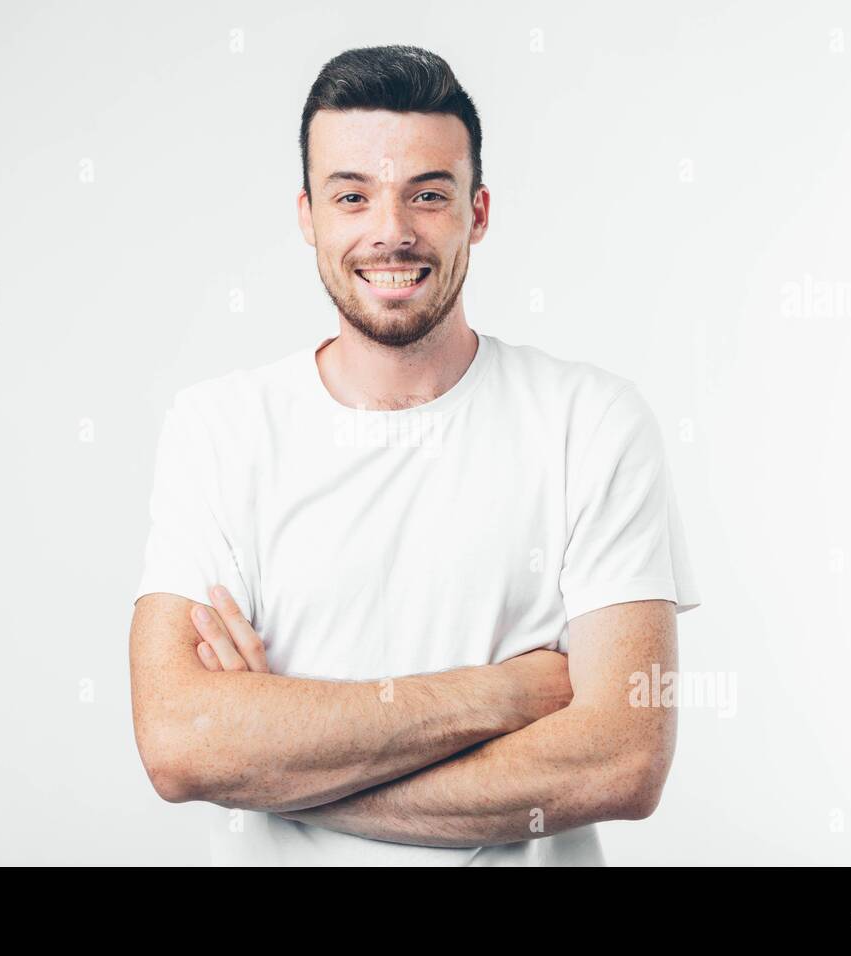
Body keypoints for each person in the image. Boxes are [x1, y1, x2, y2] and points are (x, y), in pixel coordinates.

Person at [128, 44, 701, 865]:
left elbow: (623, 759)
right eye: (352, 196)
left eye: (427, 195)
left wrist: (281, 761)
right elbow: (181, 742)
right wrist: (501, 694)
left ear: (478, 212)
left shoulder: (592, 422)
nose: (389, 233)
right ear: (307, 217)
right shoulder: (219, 429)